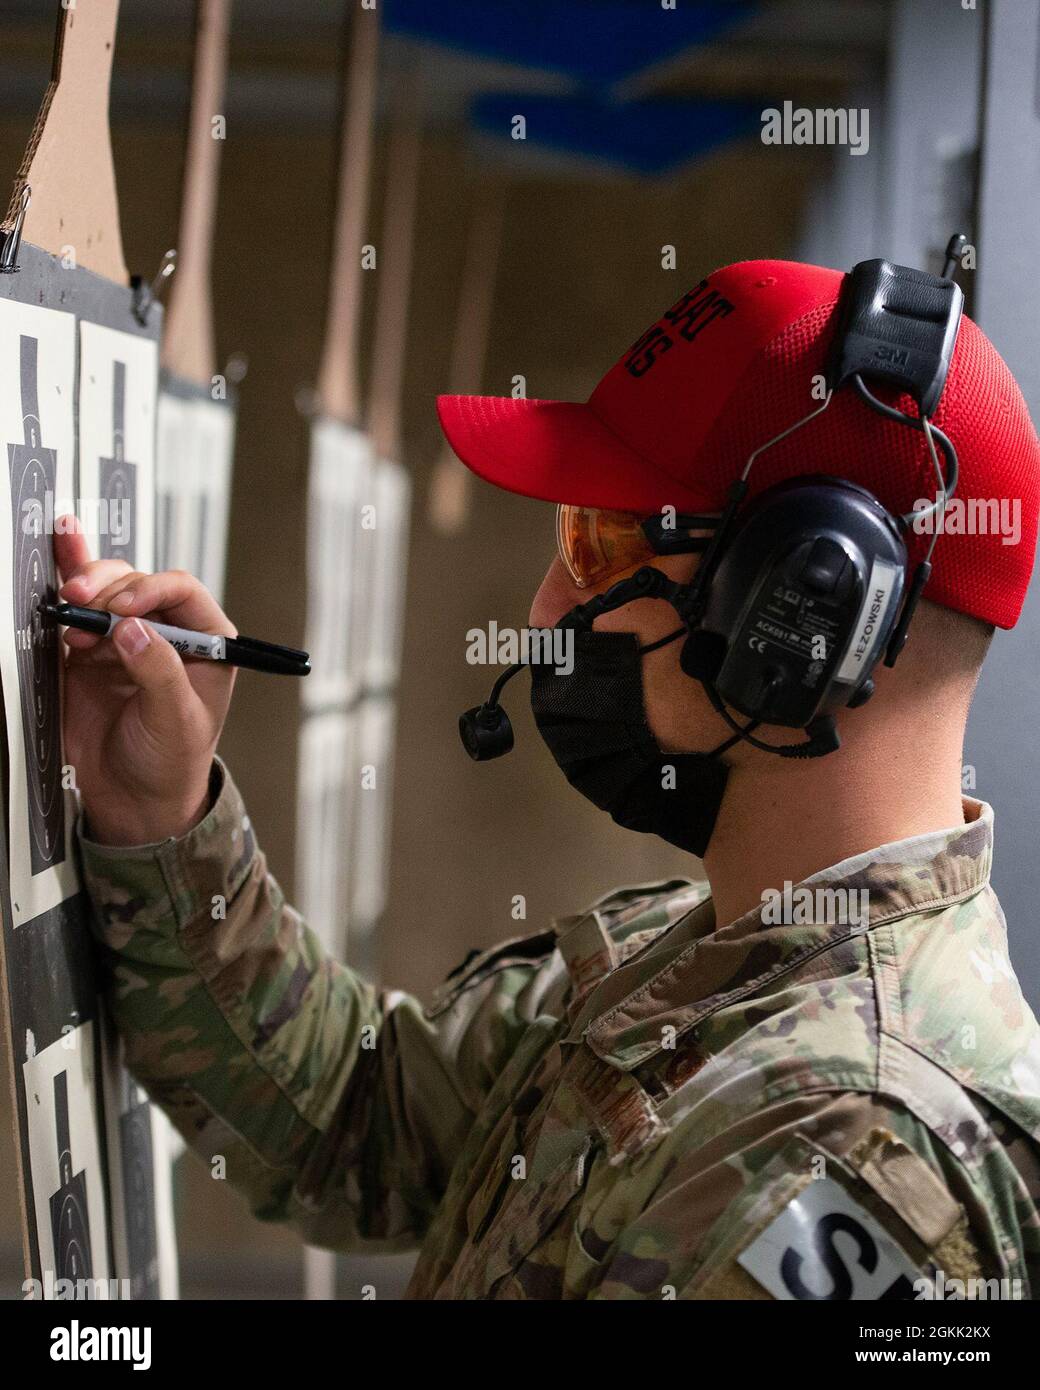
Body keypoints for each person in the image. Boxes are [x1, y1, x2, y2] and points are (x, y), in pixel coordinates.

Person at [65, 259, 1040, 1300]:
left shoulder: (849, 1148)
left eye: (599, 540)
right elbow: (358, 1122)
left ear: (801, 613)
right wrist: (162, 815)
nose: (544, 607)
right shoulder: (691, 956)